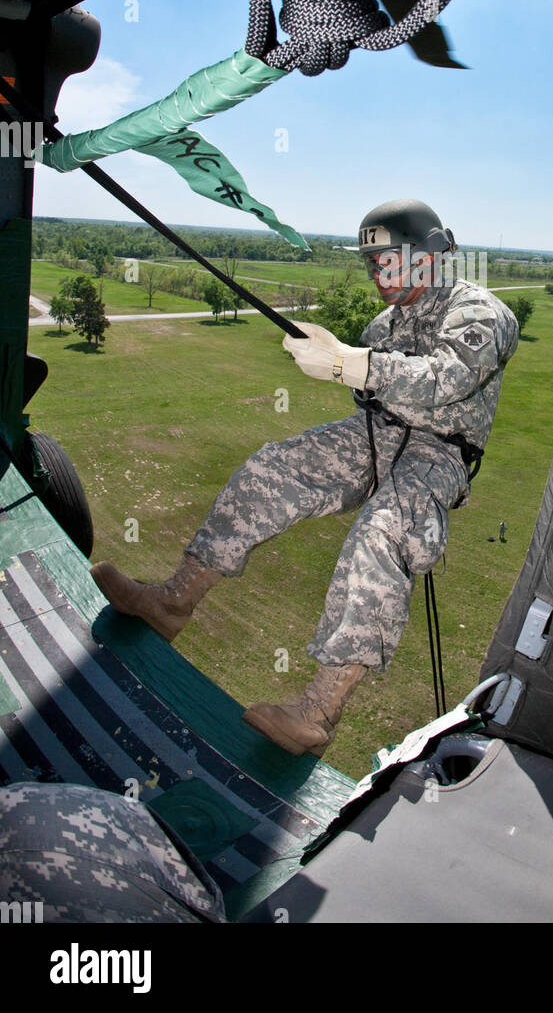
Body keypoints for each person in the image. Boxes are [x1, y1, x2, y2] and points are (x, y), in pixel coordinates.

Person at [91, 200, 519, 757]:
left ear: (428, 255)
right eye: (370, 262)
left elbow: (447, 379)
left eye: (387, 259)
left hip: (439, 454)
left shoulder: (480, 311)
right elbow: (367, 392)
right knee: (273, 467)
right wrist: (343, 364)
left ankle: (317, 714)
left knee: (380, 534)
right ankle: (172, 602)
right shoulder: (382, 326)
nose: (376, 273)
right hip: (377, 433)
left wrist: (350, 363)